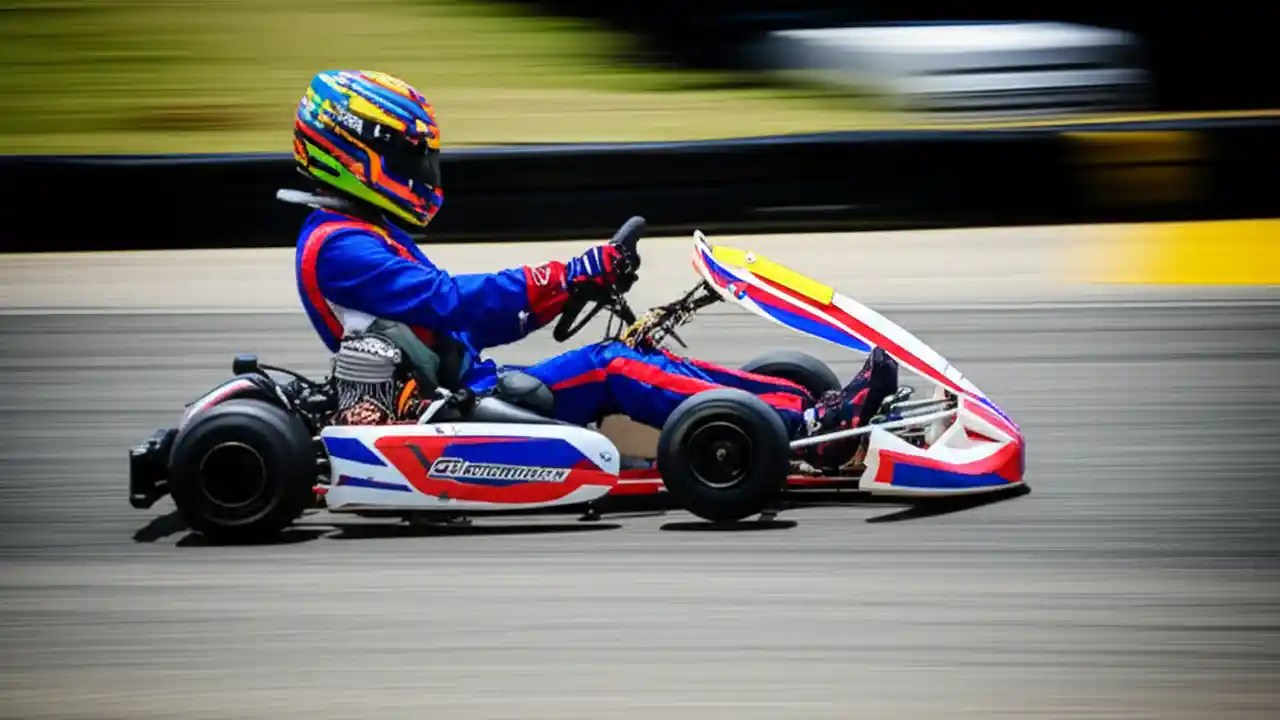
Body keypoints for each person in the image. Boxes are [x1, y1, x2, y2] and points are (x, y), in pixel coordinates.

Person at [282, 69, 895, 467]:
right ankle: (807, 426)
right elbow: (453, 303)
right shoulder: (339, 247)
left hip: (467, 384)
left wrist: (570, 288)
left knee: (635, 354)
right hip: (456, 407)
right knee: (613, 366)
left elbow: (459, 324)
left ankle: (803, 404)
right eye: (408, 157)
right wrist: (570, 274)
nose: (421, 172)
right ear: (354, 152)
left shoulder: (361, 233)